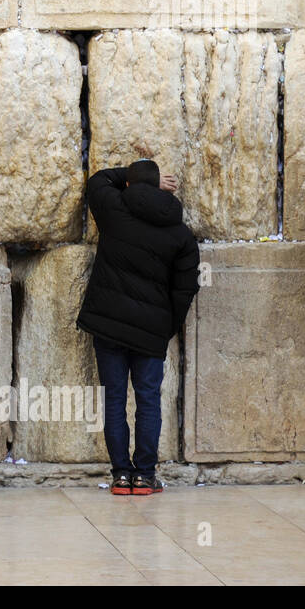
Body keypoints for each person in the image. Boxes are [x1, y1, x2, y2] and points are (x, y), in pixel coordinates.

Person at [77, 159, 199, 496]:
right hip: (151, 330)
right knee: (148, 400)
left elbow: (99, 180)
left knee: (114, 399)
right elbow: (185, 288)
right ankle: (144, 476)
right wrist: (166, 327)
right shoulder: (180, 235)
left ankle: (121, 476)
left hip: (108, 326)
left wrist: (141, 179)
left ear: (129, 186)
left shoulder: (114, 211)